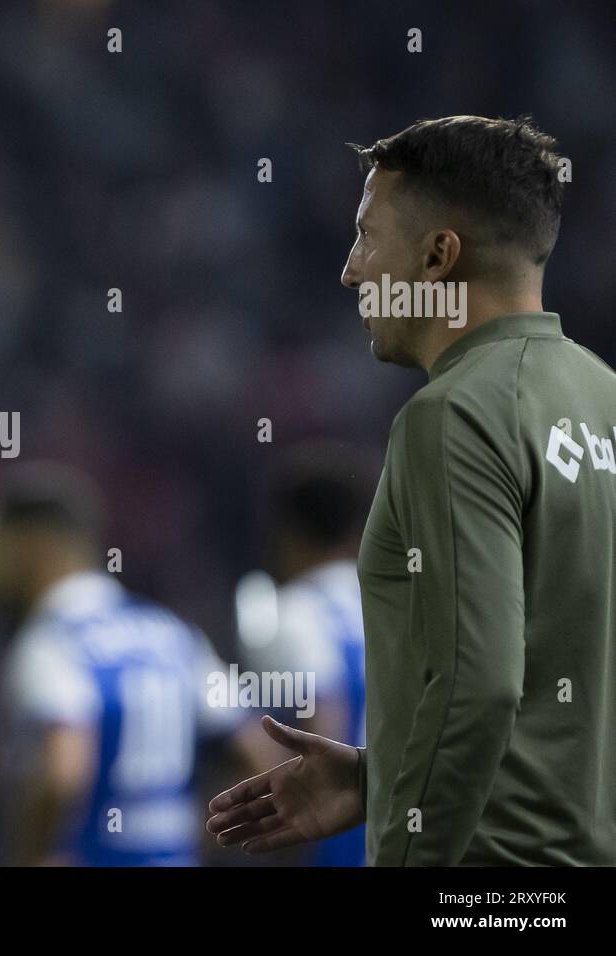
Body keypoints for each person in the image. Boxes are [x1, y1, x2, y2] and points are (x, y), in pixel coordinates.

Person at [209, 115, 616, 866]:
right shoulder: (603, 397)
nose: (351, 270)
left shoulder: (454, 415)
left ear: (437, 257)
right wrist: (378, 782)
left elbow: (480, 683)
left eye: (367, 236)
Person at [0, 463, 254, 866]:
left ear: (33, 545)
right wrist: (187, 840)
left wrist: (33, 854)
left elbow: (63, 770)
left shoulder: (51, 641)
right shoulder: (172, 632)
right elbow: (258, 757)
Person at [236, 444, 375, 865]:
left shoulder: (291, 614)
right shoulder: (392, 603)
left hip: (333, 834)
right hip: (400, 819)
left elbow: (321, 718)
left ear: (285, 533)